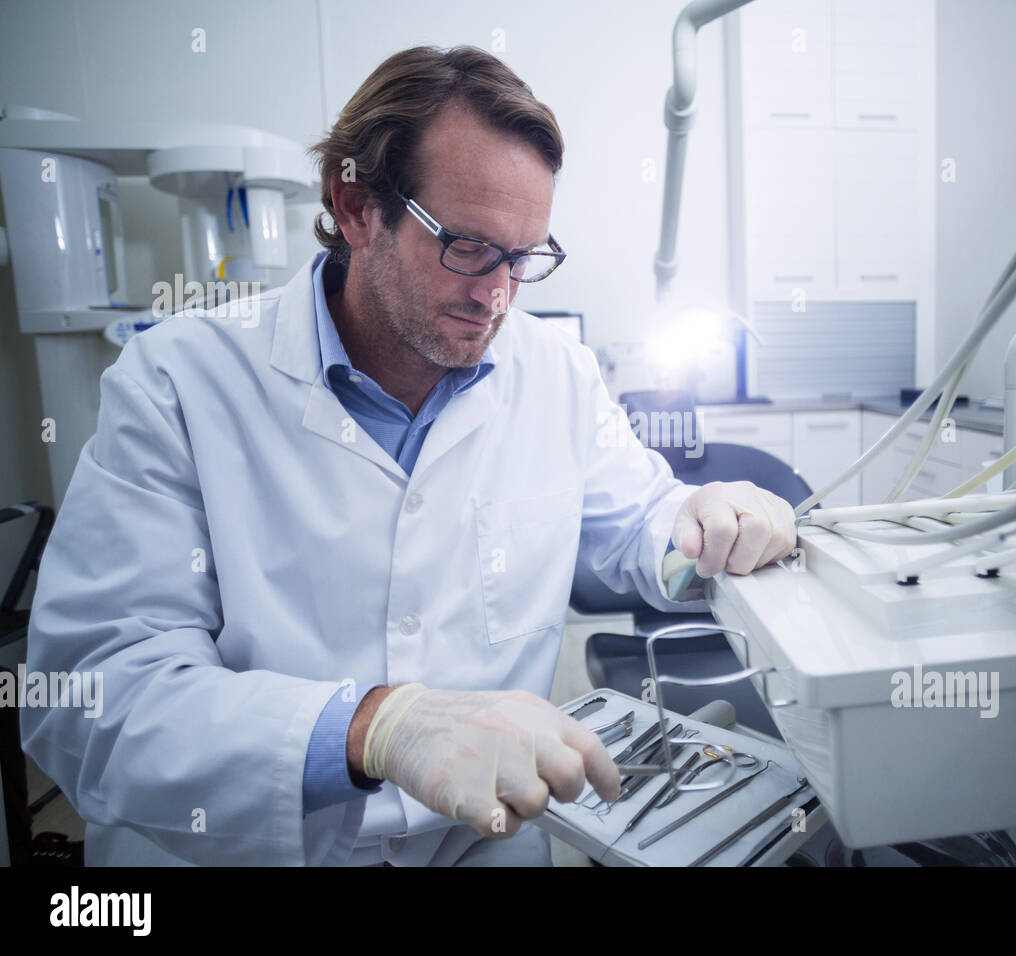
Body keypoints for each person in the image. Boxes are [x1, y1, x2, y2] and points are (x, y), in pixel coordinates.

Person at [20, 45, 797, 866]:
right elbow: (91, 698)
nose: (497, 293)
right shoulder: (178, 381)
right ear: (356, 208)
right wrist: (372, 729)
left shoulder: (554, 373)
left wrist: (701, 517)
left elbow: (636, 520)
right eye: (467, 247)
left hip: (480, 846)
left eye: (524, 257)